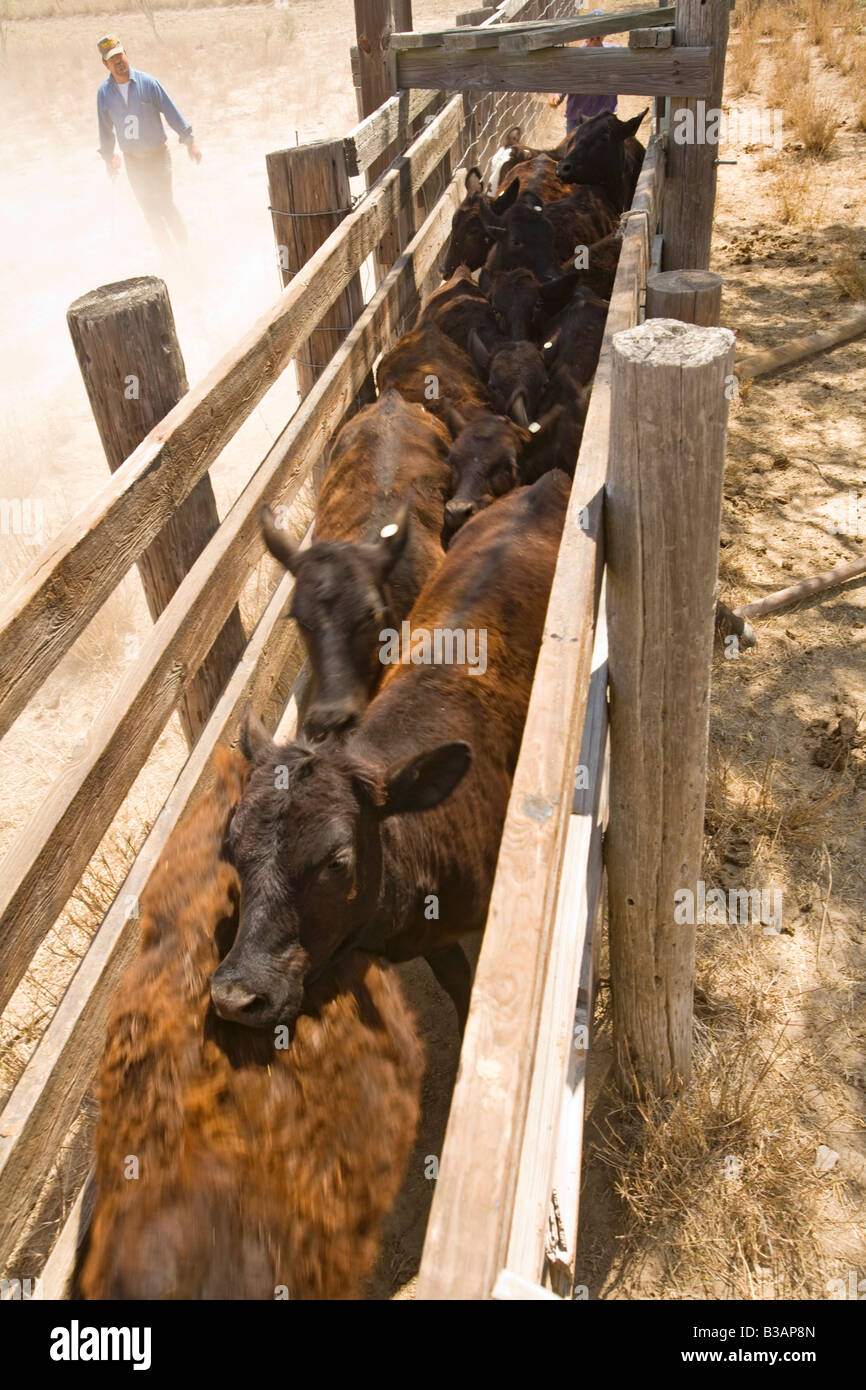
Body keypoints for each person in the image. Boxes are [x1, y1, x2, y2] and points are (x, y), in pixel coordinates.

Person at [96, 34, 202, 254]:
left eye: (119, 55)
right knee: (149, 210)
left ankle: (185, 247)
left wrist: (189, 141)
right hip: (133, 162)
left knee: (165, 204)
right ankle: (167, 254)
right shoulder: (104, 94)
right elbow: (105, 129)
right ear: (105, 64)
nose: (118, 61)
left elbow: (171, 112)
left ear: (126, 54)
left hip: (158, 157)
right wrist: (108, 158)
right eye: (112, 59)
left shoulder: (148, 83)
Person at [548, 13, 618, 137]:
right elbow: (566, 77)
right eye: (592, 37)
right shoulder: (574, 56)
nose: (594, 41)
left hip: (603, 115)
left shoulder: (614, 52)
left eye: (598, 37)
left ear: (604, 35)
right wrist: (557, 94)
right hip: (577, 116)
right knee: (573, 145)